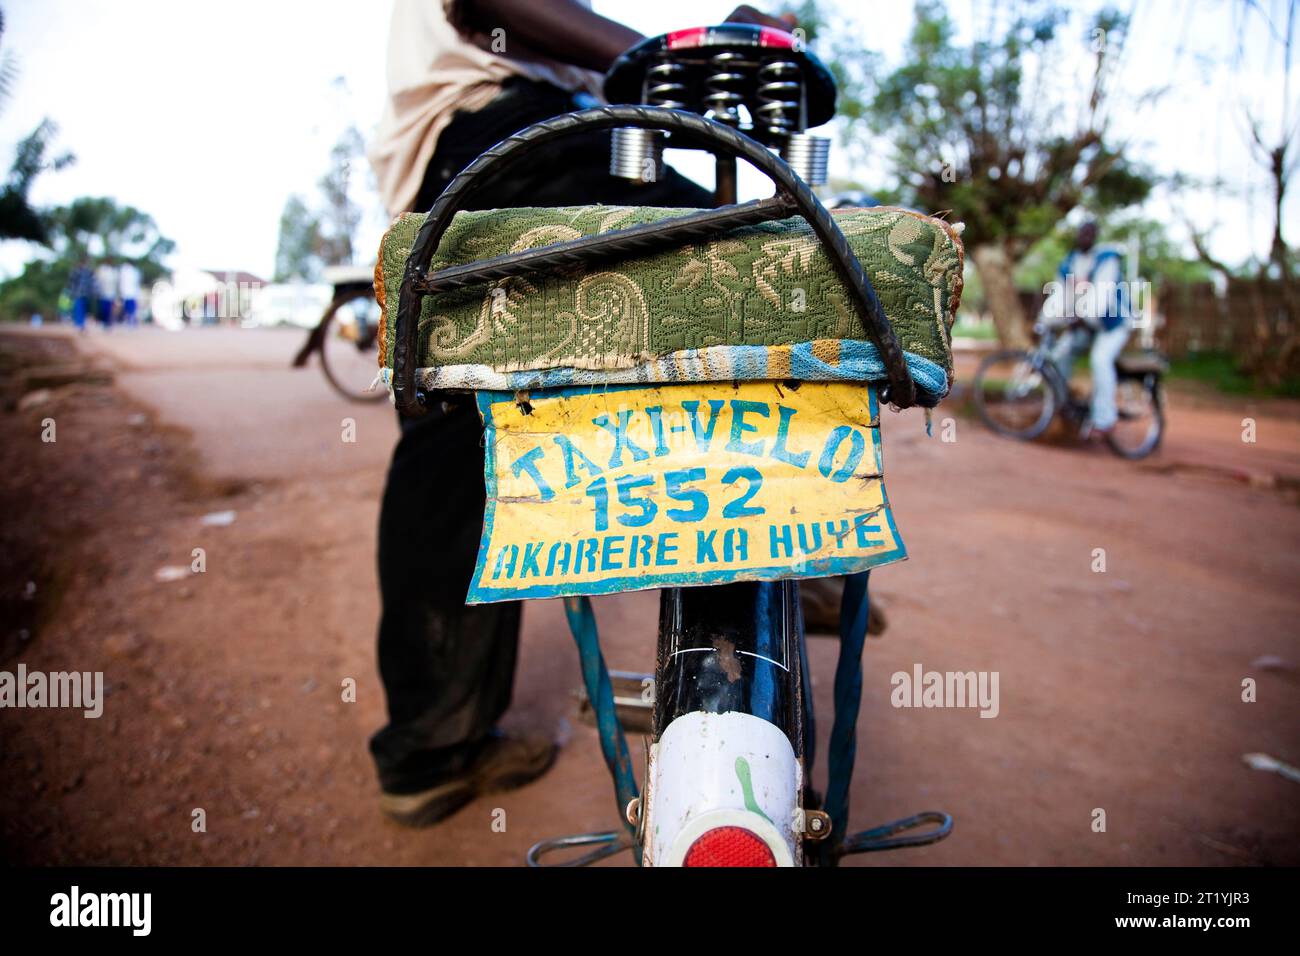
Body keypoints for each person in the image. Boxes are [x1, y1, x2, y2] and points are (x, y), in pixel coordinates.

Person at [367, 0, 795, 827]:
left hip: (471, 164)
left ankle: (429, 749)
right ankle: (786, 527)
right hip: (516, 138)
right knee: (758, 257)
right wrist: (664, 58)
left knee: (454, 437)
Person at [1039, 220, 1131, 436]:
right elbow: (1059, 296)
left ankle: (1104, 419)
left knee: (1100, 360)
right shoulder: (1069, 263)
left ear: (1095, 236)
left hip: (1112, 324)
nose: (1085, 237)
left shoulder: (1106, 260)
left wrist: (1081, 318)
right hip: (1085, 324)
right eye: (1082, 233)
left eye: (1090, 233)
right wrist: (1045, 322)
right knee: (1059, 356)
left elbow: (1101, 296)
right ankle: (1060, 406)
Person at [66, 258, 96, 333]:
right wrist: (72, 293)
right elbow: (71, 283)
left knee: (83, 309)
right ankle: (79, 324)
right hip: (78, 294)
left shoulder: (88, 272)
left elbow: (91, 282)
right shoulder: (76, 272)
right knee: (78, 309)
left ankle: (81, 324)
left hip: (85, 294)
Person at [94, 258, 118, 329]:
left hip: (111, 293)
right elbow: (98, 280)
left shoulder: (114, 271)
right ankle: (103, 322)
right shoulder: (102, 269)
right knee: (103, 309)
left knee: (109, 309)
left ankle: (108, 323)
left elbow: (116, 282)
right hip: (103, 293)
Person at [118, 259, 142, 327]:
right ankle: (129, 321)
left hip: (131, 293)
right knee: (128, 308)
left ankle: (131, 321)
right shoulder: (126, 271)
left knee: (131, 308)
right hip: (127, 293)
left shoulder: (134, 271)